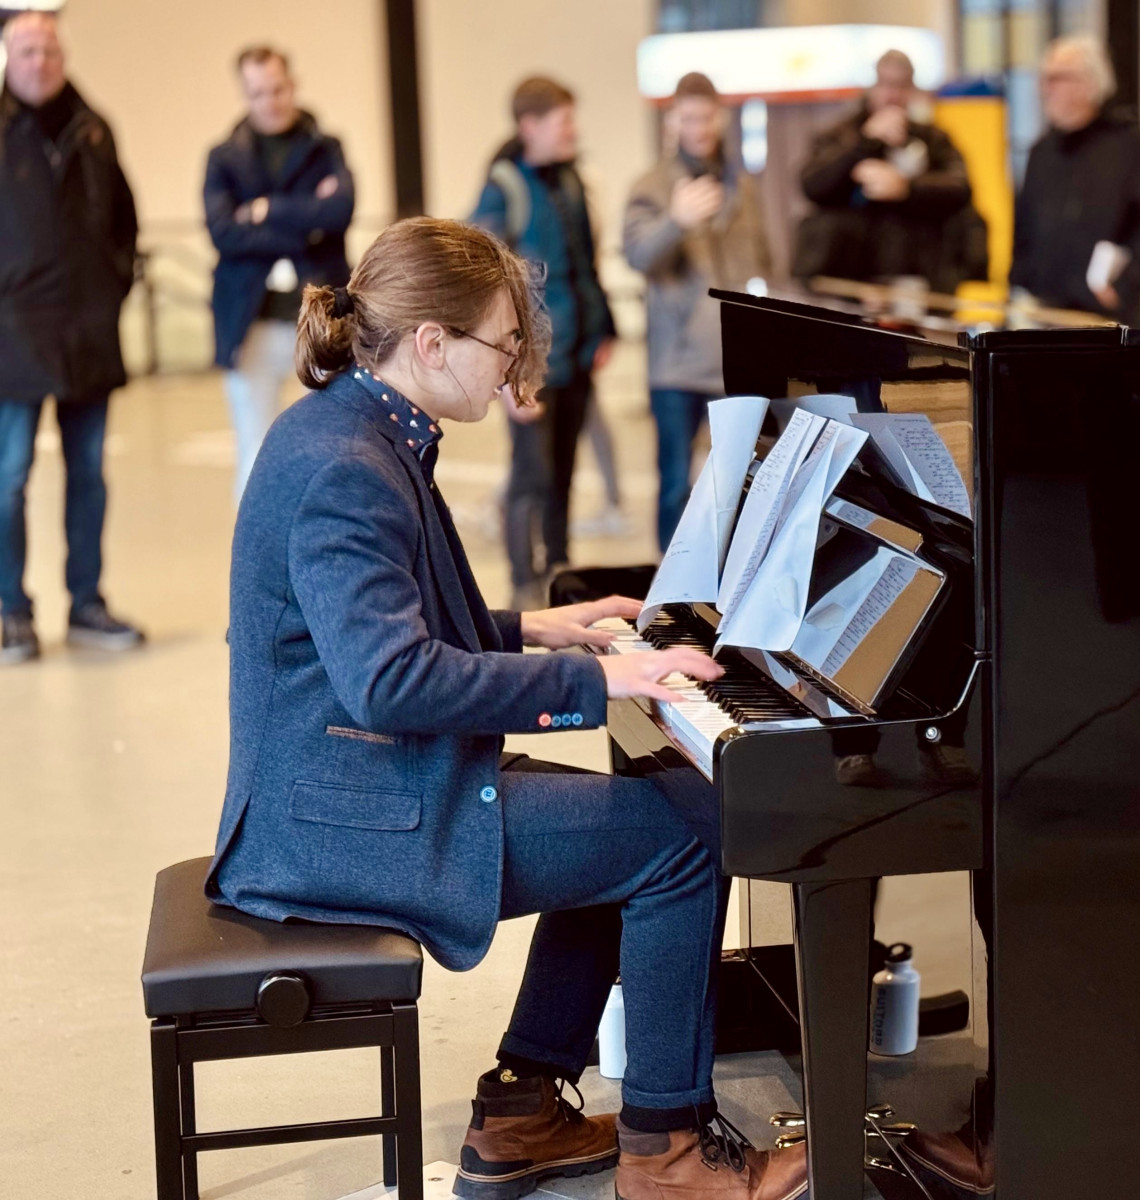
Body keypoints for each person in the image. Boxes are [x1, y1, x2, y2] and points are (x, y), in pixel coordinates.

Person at [206, 216, 808, 1200]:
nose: (513, 369)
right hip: (341, 822)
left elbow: (377, 632)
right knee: (682, 840)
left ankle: (522, 1112)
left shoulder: (355, 429)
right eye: (503, 343)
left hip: (348, 782)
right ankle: (668, 1154)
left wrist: (536, 627)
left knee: (636, 822)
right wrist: (599, 684)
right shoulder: (350, 467)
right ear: (431, 343)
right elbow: (391, 680)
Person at [0, 11, 143, 665]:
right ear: (9, 56)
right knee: (9, 478)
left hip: (87, 331)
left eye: (49, 50)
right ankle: (10, 610)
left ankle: (87, 602)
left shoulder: (93, 128)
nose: (40, 61)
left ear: (63, 55)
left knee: (89, 473)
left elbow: (124, 220)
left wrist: (111, 287)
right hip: (13, 335)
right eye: (28, 50)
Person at [471, 76, 616, 606]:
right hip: (529, 364)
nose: (573, 130)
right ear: (530, 125)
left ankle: (558, 570)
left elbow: (585, 265)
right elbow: (484, 285)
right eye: (564, 121)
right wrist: (507, 374)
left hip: (575, 356)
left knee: (564, 476)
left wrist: (605, 327)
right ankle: (523, 584)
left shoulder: (571, 181)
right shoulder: (503, 188)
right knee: (531, 477)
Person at [624, 72, 771, 551]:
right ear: (673, 121)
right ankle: (671, 580)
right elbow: (638, 257)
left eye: (706, 117)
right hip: (676, 364)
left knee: (739, 480)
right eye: (688, 118)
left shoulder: (740, 183)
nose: (698, 127)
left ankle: (728, 573)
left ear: (720, 118)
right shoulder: (651, 185)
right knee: (674, 483)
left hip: (736, 358)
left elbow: (764, 260)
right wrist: (676, 221)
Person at [204, 45, 354, 500]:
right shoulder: (224, 157)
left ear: (292, 85)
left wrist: (265, 210)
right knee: (256, 449)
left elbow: (338, 211)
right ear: (244, 95)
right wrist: (306, 225)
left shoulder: (326, 149)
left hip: (317, 320)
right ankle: (258, 543)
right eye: (257, 93)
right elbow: (224, 233)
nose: (270, 101)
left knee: (337, 446)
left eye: (277, 89)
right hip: (250, 322)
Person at [1010, 36, 1140, 325]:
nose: (1044, 89)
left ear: (1089, 83)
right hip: (1044, 313)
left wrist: (1123, 286)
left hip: (1107, 318)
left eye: (1056, 78)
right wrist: (1021, 283)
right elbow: (1023, 229)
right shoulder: (1041, 151)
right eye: (1043, 78)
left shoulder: (1127, 144)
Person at [794, 49, 980, 294]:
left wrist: (907, 188)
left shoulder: (933, 139)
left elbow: (961, 188)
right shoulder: (841, 135)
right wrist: (864, 144)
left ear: (912, 90)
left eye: (901, 86)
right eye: (885, 84)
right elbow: (811, 185)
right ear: (872, 87)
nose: (892, 95)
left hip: (918, 278)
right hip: (845, 278)